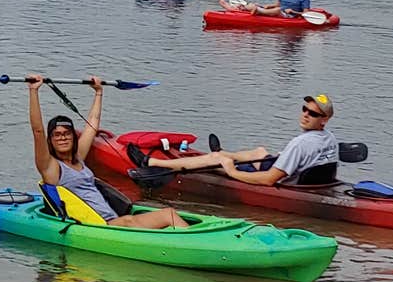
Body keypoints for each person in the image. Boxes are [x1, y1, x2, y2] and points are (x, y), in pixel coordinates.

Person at [26, 77, 185, 227]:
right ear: (51, 140)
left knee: (169, 214)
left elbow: (93, 124)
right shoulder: (51, 168)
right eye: (57, 135)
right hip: (102, 227)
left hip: (112, 219)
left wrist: (98, 92)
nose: (63, 138)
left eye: (67, 133)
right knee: (167, 215)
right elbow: (38, 131)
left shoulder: (78, 158)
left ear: (74, 137)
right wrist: (34, 91)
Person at [139, 93, 341, 187]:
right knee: (259, 152)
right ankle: (224, 153)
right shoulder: (330, 138)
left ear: (324, 119)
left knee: (215, 159)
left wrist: (231, 171)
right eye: (304, 109)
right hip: (305, 177)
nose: (305, 114)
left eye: (312, 114)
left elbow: (269, 180)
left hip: (284, 180)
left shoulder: (300, 144)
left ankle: (155, 163)